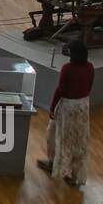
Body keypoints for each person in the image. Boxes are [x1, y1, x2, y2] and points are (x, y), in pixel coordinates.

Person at [37, 40, 94, 187]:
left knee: (57, 135)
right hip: (83, 106)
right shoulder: (90, 67)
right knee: (79, 140)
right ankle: (74, 174)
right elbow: (89, 86)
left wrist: (52, 107)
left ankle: (56, 164)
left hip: (68, 106)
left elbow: (61, 89)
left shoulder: (67, 68)